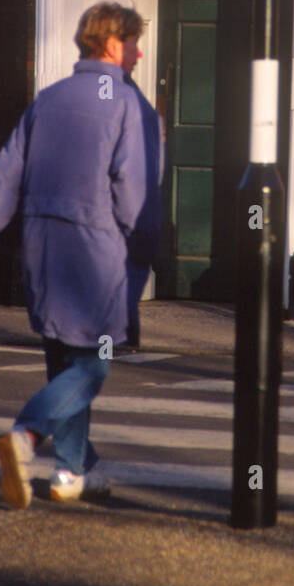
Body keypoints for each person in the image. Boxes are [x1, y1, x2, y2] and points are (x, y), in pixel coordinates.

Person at [0, 2, 149, 508]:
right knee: (93, 365)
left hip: (40, 246)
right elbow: (136, 192)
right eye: (135, 42)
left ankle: (71, 474)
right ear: (114, 44)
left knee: (64, 361)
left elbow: (6, 172)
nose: (140, 53)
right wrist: (141, 256)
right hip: (95, 249)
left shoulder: (49, 99)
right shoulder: (126, 103)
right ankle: (26, 436)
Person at [119, 32, 164, 350]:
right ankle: (124, 337)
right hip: (140, 209)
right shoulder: (137, 104)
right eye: (135, 45)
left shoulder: (123, 100)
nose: (141, 55)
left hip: (129, 211)